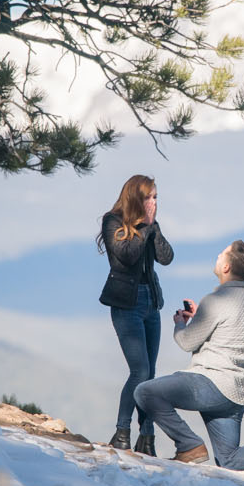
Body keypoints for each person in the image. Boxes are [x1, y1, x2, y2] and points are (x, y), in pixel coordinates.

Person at [133, 240, 244, 481]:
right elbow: (227, 335)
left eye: (222, 254)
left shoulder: (215, 300)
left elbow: (187, 342)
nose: (218, 256)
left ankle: (188, 445)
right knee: (228, 458)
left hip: (209, 383)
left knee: (145, 392)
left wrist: (180, 324)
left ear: (227, 267)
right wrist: (202, 319)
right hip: (235, 394)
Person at [97, 174, 173, 455]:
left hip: (151, 302)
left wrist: (154, 229)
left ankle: (148, 438)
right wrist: (144, 226)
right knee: (138, 370)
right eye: (148, 197)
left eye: (155, 197)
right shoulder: (112, 221)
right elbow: (126, 255)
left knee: (150, 375)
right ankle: (122, 431)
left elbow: (166, 257)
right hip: (126, 304)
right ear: (134, 197)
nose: (153, 202)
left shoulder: (150, 226)